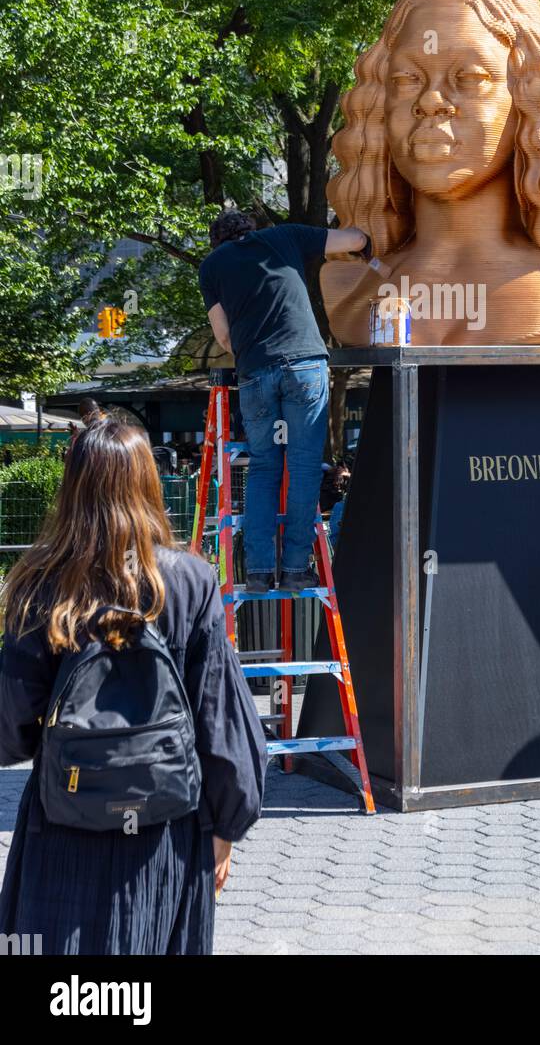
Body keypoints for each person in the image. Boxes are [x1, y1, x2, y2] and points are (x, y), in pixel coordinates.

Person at [0, 418, 267, 955]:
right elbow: (221, 718)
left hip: (63, 826)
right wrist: (226, 827)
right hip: (167, 829)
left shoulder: (39, 584)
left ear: (72, 487)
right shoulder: (192, 581)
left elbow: (10, 729)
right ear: (148, 483)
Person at [199, 208, 371, 593]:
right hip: (305, 365)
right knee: (305, 467)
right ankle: (295, 566)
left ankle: (259, 570)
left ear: (218, 241)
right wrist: (367, 244)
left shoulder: (211, 267)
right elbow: (354, 239)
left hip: (255, 372)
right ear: (251, 229)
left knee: (262, 468)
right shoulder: (284, 237)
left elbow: (224, 336)